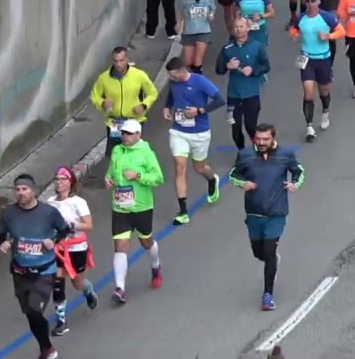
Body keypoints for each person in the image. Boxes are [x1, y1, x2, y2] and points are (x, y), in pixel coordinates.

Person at [229, 123, 305, 311]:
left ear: (273, 138)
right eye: (258, 139)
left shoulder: (285, 154)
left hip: (276, 213)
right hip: (254, 213)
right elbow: (233, 174)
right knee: (258, 251)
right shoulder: (245, 155)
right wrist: (242, 183)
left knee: (269, 251)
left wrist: (295, 184)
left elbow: (299, 171)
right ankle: (271, 260)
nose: (261, 142)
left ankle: (267, 295)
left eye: (265, 139)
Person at [0, 174, 71, 359]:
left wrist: (53, 240)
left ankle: (49, 351)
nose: (21, 193)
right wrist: (1, 243)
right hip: (20, 272)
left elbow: (64, 229)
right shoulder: (9, 213)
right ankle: (46, 348)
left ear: (34, 191)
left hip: (44, 271)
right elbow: (0, 234)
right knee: (30, 313)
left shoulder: (48, 212)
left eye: (25, 189)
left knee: (35, 310)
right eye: (17, 189)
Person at [104, 119, 165, 304]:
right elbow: (110, 171)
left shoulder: (146, 153)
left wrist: (138, 176)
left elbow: (158, 178)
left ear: (138, 135)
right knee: (120, 246)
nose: (125, 136)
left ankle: (156, 266)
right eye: (123, 133)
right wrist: (108, 179)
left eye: (129, 133)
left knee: (146, 241)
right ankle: (120, 288)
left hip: (141, 207)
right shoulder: (116, 151)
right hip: (120, 207)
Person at [162, 57, 226, 225]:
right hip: (178, 131)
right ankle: (183, 212)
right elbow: (172, 94)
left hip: (199, 132)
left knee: (199, 167)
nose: (171, 78)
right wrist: (167, 107)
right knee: (179, 167)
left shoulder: (200, 82)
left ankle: (212, 179)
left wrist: (199, 110)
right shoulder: (173, 82)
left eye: (173, 75)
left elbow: (220, 100)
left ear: (183, 71)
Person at [289, 0, 346, 142]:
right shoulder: (301, 18)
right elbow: (294, 28)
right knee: (308, 92)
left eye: (312, 1)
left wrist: (328, 36)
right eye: (307, 1)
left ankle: (325, 110)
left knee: (324, 90)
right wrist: (294, 35)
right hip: (306, 59)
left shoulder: (326, 17)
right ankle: (309, 126)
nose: (309, 4)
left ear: (318, 1)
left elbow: (341, 31)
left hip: (323, 59)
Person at [48, 166, 98, 336]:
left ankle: (88, 290)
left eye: (63, 179)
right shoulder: (50, 202)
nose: (59, 182)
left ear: (70, 182)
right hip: (58, 248)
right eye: (57, 179)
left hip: (76, 248)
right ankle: (61, 321)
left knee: (77, 283)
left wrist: (72, 226)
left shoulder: (78, 202)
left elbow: (89, 225)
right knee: (57, 282)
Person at [90, 46, 159, 157]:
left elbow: (153, 93)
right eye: (115, 61)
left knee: (133, 156)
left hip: (134, 121)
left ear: (127, 59)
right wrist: (102, 103)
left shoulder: (139, 75)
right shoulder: (103, 78)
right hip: (114, 123)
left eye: (121, 60)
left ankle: (134, 174)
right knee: (115, 156)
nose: (118, 64)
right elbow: (94, 96)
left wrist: (144, 105)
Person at [216, 17, 272, 149]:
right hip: (233, 95)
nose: (238, 29)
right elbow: (219, 69)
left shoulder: (257, 46)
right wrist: (227, 66)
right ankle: (242, 154)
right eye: (236, 27)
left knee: (251, 126)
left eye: (241, 27)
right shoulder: (227, 48)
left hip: (251, 94)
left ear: (248, 28)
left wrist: (253, 70)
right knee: (235, 129)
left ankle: (256, 149)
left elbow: (266, 66)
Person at [177, 0, 217, 73]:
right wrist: (178, 23)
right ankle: (193, 75)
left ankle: (198, 79)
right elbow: (180, 12)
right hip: (188, 31)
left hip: (203, 31)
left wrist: (211, 15)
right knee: (188, 62)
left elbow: (212, 9)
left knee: (197, 62)